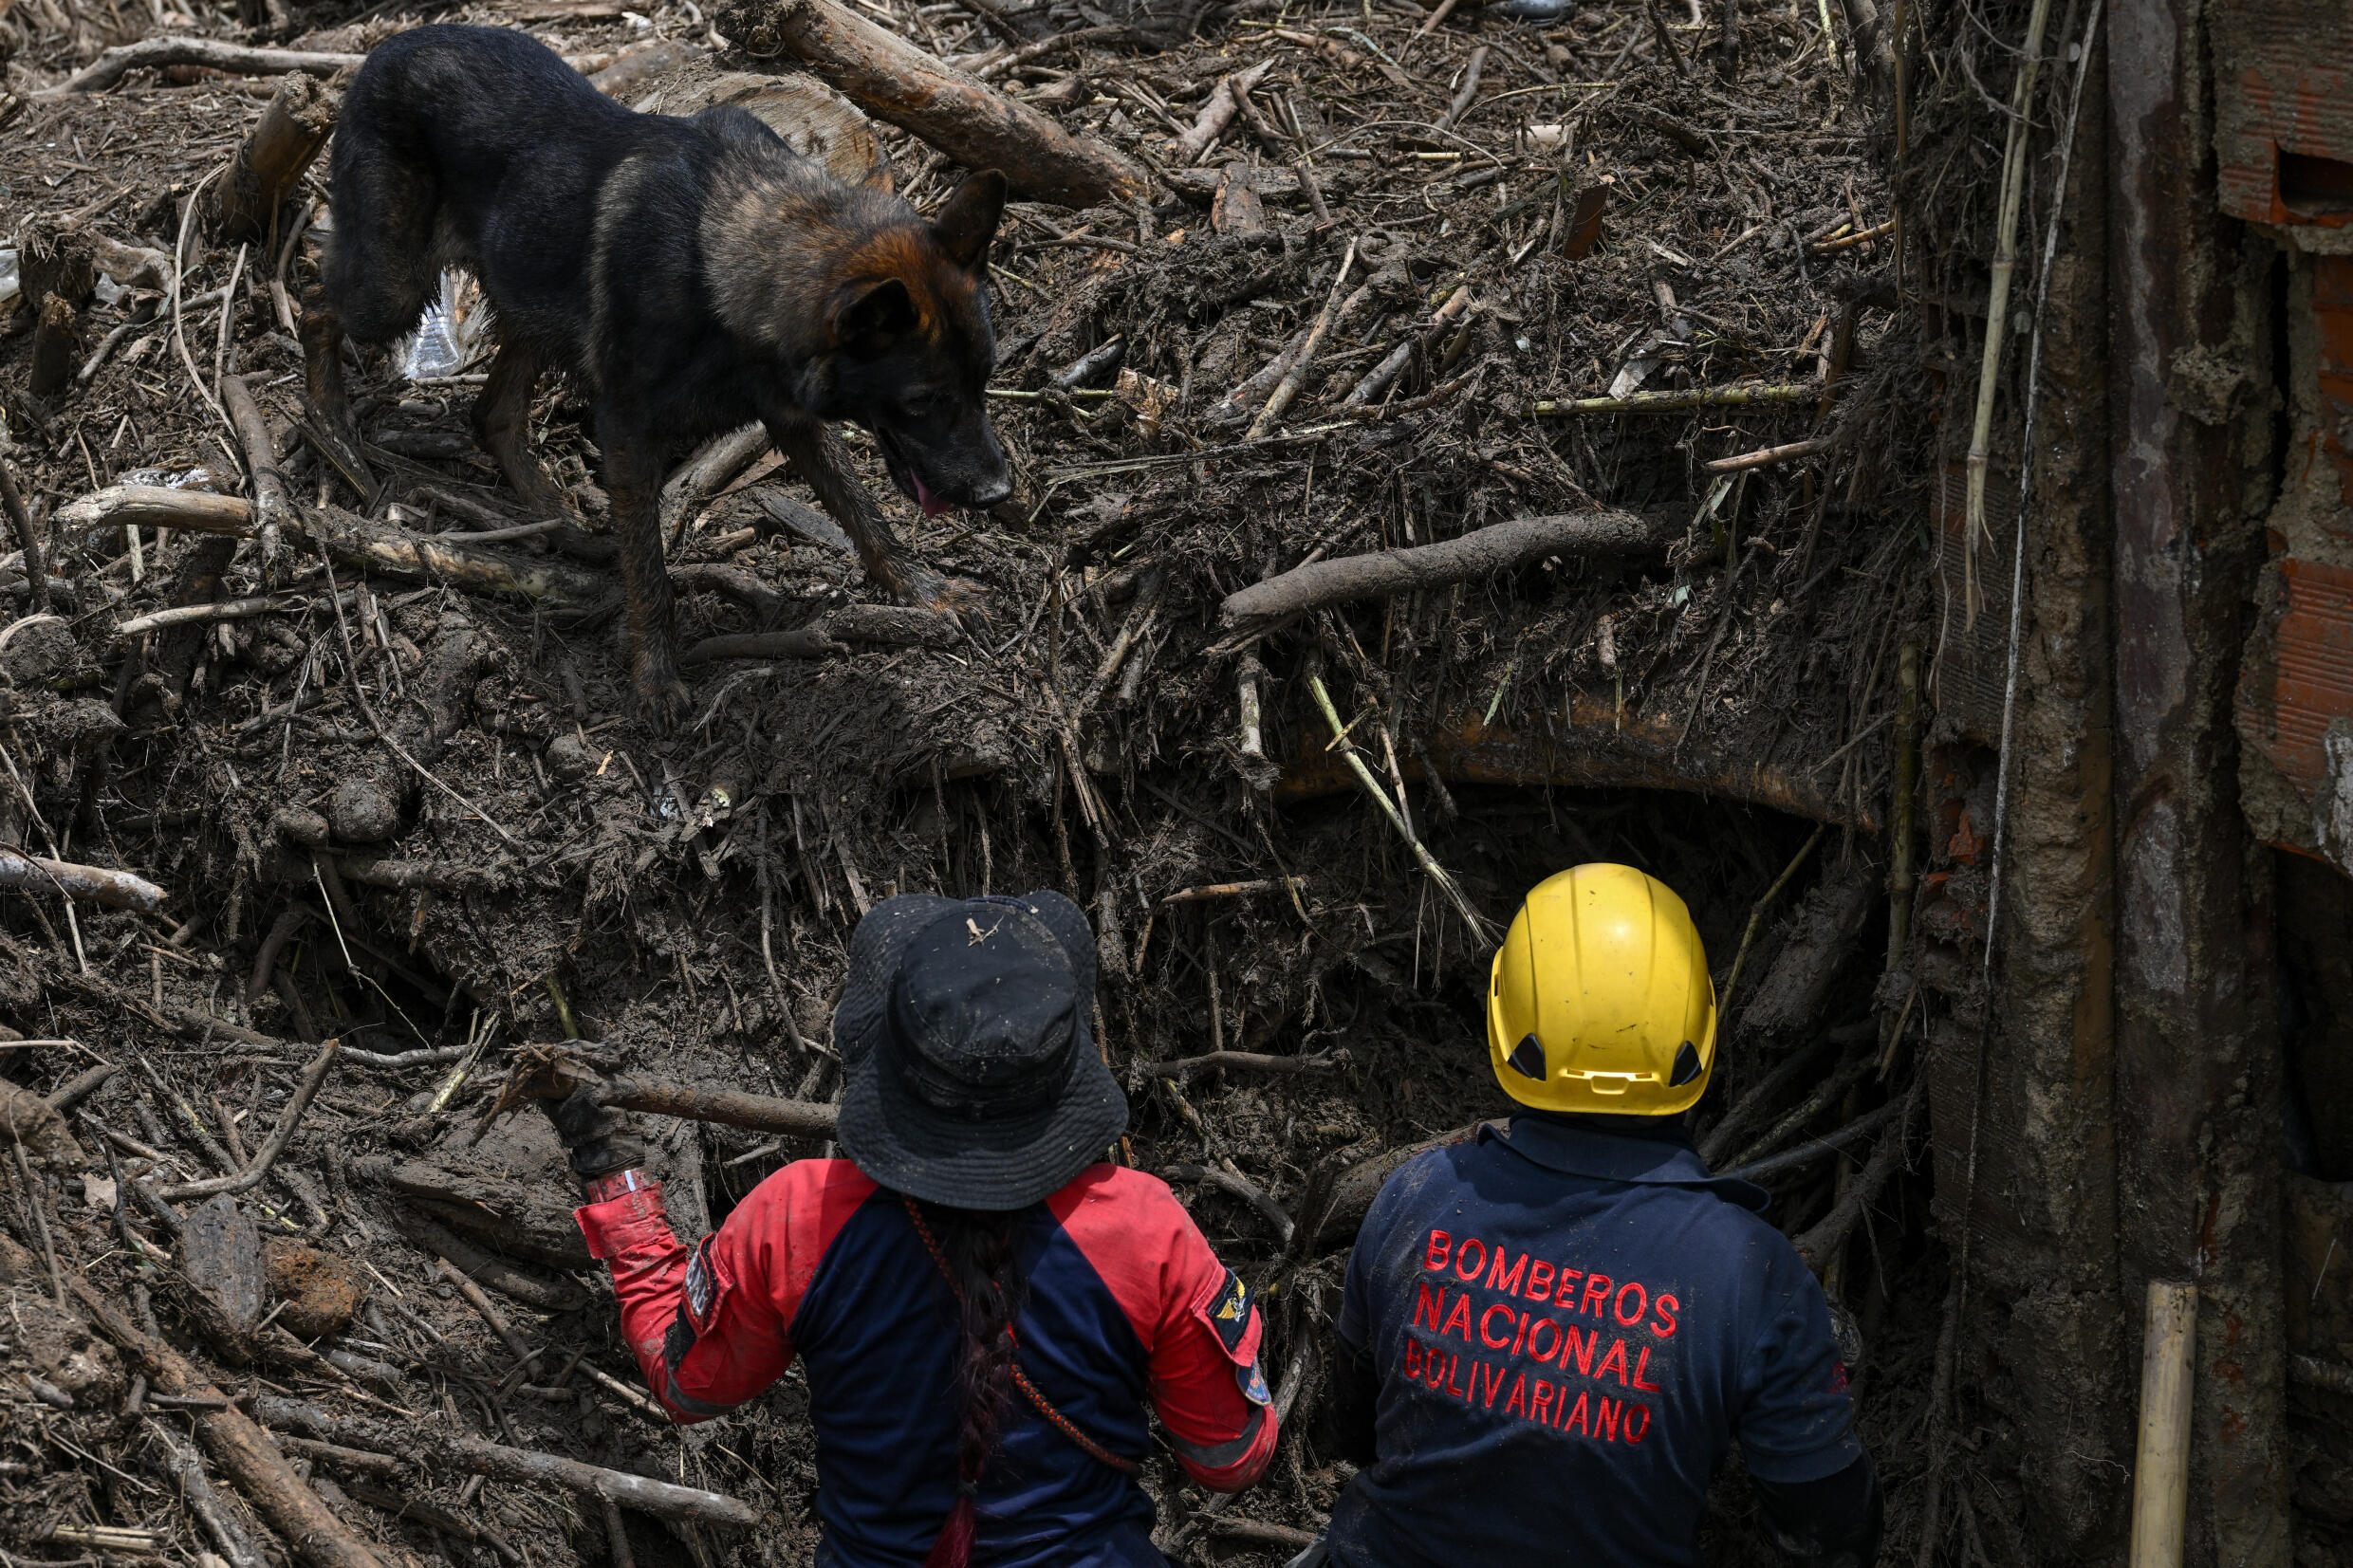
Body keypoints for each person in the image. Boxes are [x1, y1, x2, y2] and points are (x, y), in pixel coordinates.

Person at [551, 890, 1278, 1568]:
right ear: (1065, 1074)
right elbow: (1229, 1459)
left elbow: (686, 1383)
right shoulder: (1146, 1229)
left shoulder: (795, 1216)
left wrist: (624, 1200)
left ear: (889, 1056)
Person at [1314, 863, 1881, 1568]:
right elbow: (1829, 1533)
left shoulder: (1417, 1195)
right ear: (1699, 1030)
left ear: (1506, 1022)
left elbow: (1350, 1426)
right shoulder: (1753, 1274)